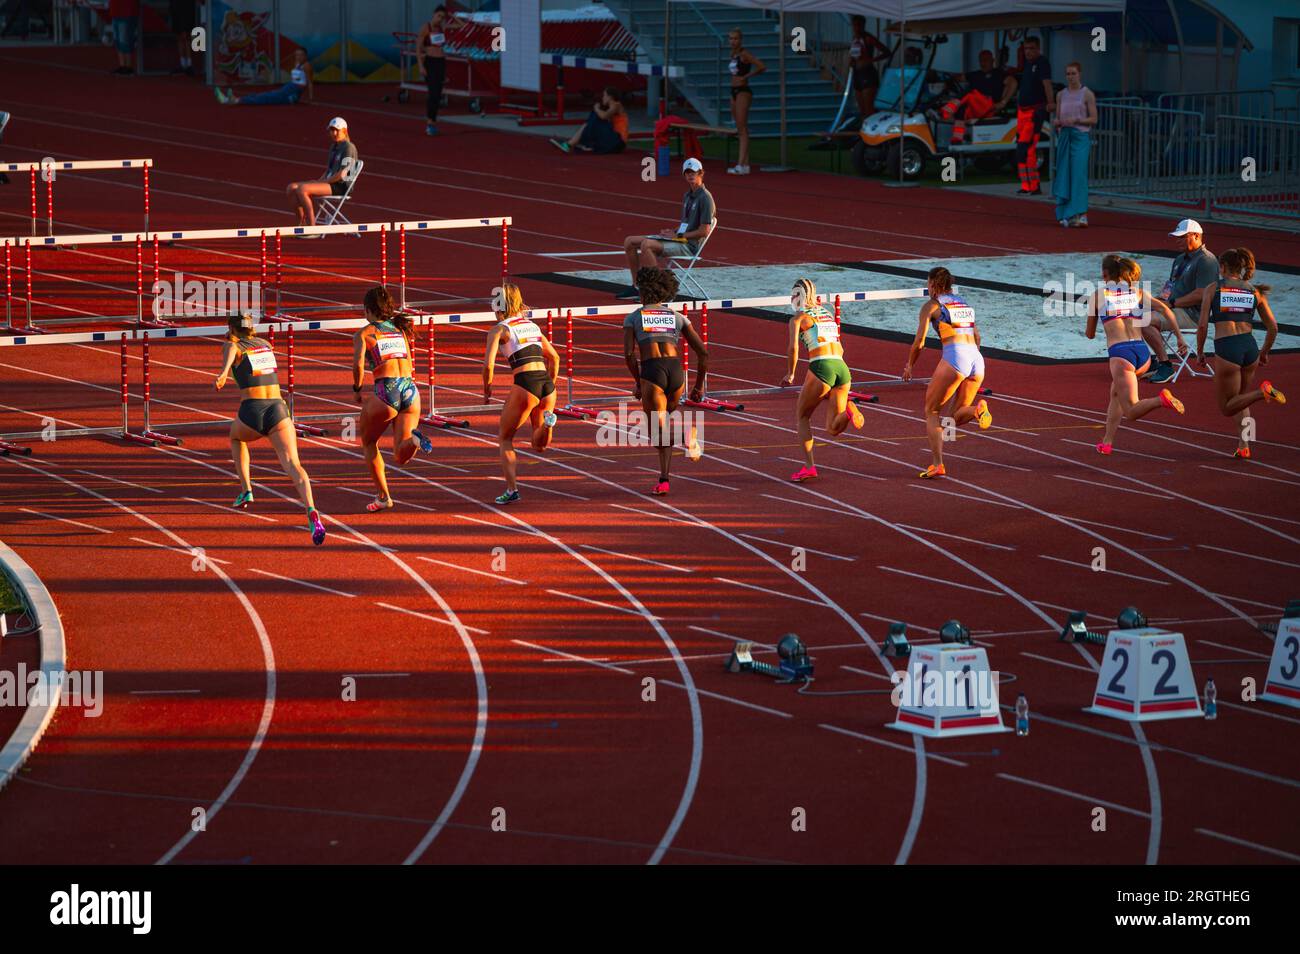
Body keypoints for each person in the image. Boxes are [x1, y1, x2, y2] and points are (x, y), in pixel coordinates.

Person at [215, 313, 327, 544]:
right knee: (294, 465)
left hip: (252, 410)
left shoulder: (231, 345)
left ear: (231, 329)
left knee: (236, 438)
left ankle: (246, 489)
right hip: (278, 409)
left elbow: (231, 355)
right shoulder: (266, 345)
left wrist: (223, 373)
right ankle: (311, 509)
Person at [1084, 255, 1186, 455]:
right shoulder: (1137, 293)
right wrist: (1180, 338)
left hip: (1121, 356)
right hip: (1142, 354)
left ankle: (1160, 400)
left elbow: (1089, 334)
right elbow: (1165, 308)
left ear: (1106, 274)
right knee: (1116, 395)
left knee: (1130, 410)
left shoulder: (1098, 295)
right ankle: (1107, 442)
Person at [902, 267, 993, 479]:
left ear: (933, 285)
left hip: (956, 356)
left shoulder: (931, 305)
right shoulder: (964, 303)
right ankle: (978, 411)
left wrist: (910, 365)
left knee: (932, 411)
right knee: (953, 417)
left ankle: (937, 464)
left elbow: (920, 342)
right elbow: (977, 336)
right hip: (976, 360)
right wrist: (970, 359)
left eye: (928, 283)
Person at [622, 268, 708, 495]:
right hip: (675, 372)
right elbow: (703, 353)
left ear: (642, 292)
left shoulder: (633, 317)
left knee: (656, 432)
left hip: (652, 372)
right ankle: (664, 479)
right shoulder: (678, 317)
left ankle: (686, 436)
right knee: (662, 429)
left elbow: (629, 354)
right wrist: (698, 386)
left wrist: (638, 382)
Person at [1195, 248, 1286, 458]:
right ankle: (1246, 445)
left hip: (1228, 348)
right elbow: (1273, 327)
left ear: (1223, 267)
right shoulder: (1255, 291)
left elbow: (1202, 326)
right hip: (1249, 347)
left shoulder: (1213, 289)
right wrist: (1264, 352)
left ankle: (1262, 393)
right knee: (1241, 399)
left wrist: (1200, 352)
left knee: (1227, 407)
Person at [482, 284, 561, 504]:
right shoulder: (533, 326)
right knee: (539, 445)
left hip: (525, 383)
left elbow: (488, 365)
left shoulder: (499, 329)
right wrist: (550, 386)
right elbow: (554, 358)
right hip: (546, 385)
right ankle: (548, 423)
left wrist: (487, 388)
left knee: (505, 438)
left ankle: (512, 489)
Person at [781, 278, 865, 482]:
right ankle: (849, 410)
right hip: (842, 369)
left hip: (821, 365)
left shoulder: (798, 319)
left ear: (797, 296)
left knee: (802, 416)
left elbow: (793, 348)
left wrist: (790, 373)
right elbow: (840, 346)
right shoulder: (827, 314)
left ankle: (809, 467)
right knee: (833, 428)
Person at [619, 157, 715, 299]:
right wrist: (673, 232)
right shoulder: (687, 196)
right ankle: (636, 286)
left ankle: (655, 291)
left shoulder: (705, 198)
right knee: (629, 241)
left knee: (647, 245)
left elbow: (704, 231)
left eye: (693, 172)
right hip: (679, 239)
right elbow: (686, 224)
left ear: (701, 173)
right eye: (687, 172)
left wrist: (678, 236)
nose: (690, 175)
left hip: (689, 245)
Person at [1143, 218, 1219, 383]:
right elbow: (1169, 288)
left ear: (1196, 236)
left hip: (1191, 314)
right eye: (1177, 237)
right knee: (1131, 314)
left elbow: (1202, 294)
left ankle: (1165, 364)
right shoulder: (1179, 259)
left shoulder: (1207, 260)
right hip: (1174, 308)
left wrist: (1172, 303)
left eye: (1182, 237)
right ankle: (1148, 361)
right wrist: (1154, 301)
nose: (1177, 241)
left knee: (1143, 321)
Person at [286, 117, 357, 228]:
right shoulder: (334, 147)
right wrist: (319, 181)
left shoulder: (349, 147)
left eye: (336, 130)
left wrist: (325, 181)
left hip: (341, 186)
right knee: (291, 187)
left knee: (302, 189)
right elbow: (329, 170)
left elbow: (344, 173)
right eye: (331, 130)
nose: (333, 133)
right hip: (329, 182)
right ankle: (301, 224)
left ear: (344, 131)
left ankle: (312, 227)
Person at [938, 49, 1015, 145]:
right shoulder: (974, 75)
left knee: (970, 93)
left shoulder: (999, 74)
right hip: (975, 108)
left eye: (986, 60)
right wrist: (946, 79)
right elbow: (958, 77)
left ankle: (947, 110)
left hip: (989, 107)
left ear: (993, 60)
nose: (983, 63)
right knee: (961, 109)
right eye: (981, 60)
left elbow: (1013, 83)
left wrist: (1003, 102)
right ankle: (957, 138)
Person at [1052, 62, 1097, 227]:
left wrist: (1077, 120)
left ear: (1080, 74)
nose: (1070, 77)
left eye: (1073, 73)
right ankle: (1066, 213)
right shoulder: (1061, 94)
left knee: (1078, 174)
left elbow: (1093, 119)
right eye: (1068, 74)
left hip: (1080, 136)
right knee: (1064, 173)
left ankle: (1081, 213)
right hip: (1065, 135)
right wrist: (1058, 122)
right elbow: (1058, 116)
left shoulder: (1087, 94)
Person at [417, 4, 467, 136]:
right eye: (439, 16)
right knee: (433, 93)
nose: (440, 19)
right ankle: (430, 122)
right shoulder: (425, 28)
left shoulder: (442, 27)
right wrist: (421, 65)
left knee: (438, 94)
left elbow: (462, 26)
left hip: (440, 62)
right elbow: (418, 48)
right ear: (434, 14)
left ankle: (433, 121)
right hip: (430, 62)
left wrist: (452, 16)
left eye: (442, 17)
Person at [1014, 35, 1054, 195]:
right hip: (1022, 112)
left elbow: (1047, 84)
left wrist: (1050, 103)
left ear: (1038, 49)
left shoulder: (1042, 63)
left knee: (1027, 148)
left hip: (1033, 112)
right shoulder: (1027, 63)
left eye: (1031, 48)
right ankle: (1027, 185)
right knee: (1021, 149)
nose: (1028, 52)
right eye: (1026, 49)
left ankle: (1034, 185)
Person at [725, 28, 765, 176]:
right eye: (730, 38)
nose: (732, 41)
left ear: (740, 40)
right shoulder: (732, 54)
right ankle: (745, 164)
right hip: (733, 92)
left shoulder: (744, 54)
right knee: (739, 127)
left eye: (735, 38)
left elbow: (761, 66)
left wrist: (747, 76)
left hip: (743, 91)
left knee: (742, 129)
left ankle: (740, 164)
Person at [216, 48, 313, 106]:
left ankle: (236, 100)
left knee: (267, 97)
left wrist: (310, 98)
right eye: (297, 55)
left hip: (293, 91)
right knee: (265, 94)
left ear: (305, 56)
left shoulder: (306, 66)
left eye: (300, 55)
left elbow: (309, 83)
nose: (298, 57)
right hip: (289, 87)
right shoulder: (297, 63)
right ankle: (233, 99)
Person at [549, 87, 628, 154]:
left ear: (610, 97)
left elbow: (604, 116)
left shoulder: (616, 105)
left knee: (595, 115)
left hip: (618, 142)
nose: (602, 97)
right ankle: (576, 143)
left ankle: (573, 143)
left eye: (604, 95)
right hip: (613, 140)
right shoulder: (611, 107)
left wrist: (596, 108)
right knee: (592, 120)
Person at [848, 15, 890, 121]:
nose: (857, 28)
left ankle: (872, 133)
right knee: (861, 110)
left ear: (863, 26)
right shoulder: (854, 38)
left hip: (868, 75)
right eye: (855, 25)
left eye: (859, 25)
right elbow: (855, 55)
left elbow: (887, 52)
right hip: (857, 74)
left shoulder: (868, 38)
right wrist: (851, 62)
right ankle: (863, 133)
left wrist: (870, 60)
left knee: (869, 110)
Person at [108, 0, 139, 75]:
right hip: (117, 12)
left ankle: (128, 66)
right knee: (118, 40)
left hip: (126, 13)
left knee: (125, 40)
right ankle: (122, 66)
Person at [169, 0, 196, 76]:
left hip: (187, 8)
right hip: (176, 7)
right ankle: (182, 64)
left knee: (187, 36)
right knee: (179, 36)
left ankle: (189, 64)